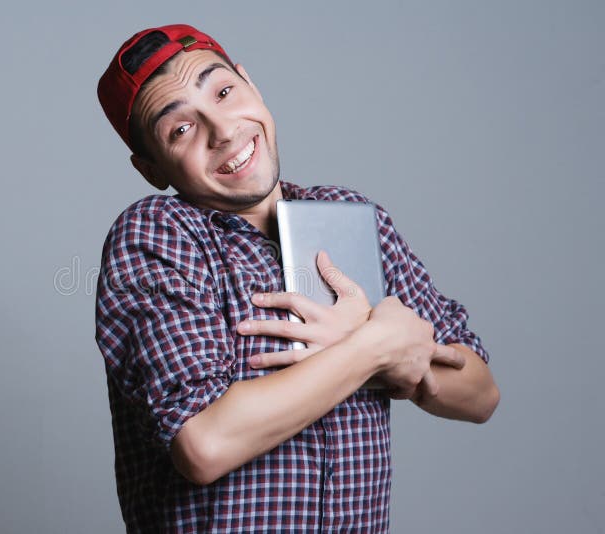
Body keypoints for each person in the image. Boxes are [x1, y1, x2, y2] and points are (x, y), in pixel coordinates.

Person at [94, 24, 499, 533]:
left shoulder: (350, 217)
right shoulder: (157, 236)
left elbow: (480, 392)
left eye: (223, 92)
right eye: (181, 129)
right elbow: (203, 443)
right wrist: (373, 345)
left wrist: (393, 358)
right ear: (151, 168)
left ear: (252, 86)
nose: (223, 131)